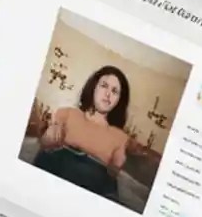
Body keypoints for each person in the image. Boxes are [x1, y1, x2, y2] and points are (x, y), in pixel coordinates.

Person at [35, 66, 132, 201]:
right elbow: (43, 149)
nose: (108, 94)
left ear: (119, 101)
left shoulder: (120, 138)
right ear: (93, 87)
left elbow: (111, 179)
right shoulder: (67, 114)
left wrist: (116, 166)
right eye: (104, 86)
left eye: (115, 91)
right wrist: (48, 137)